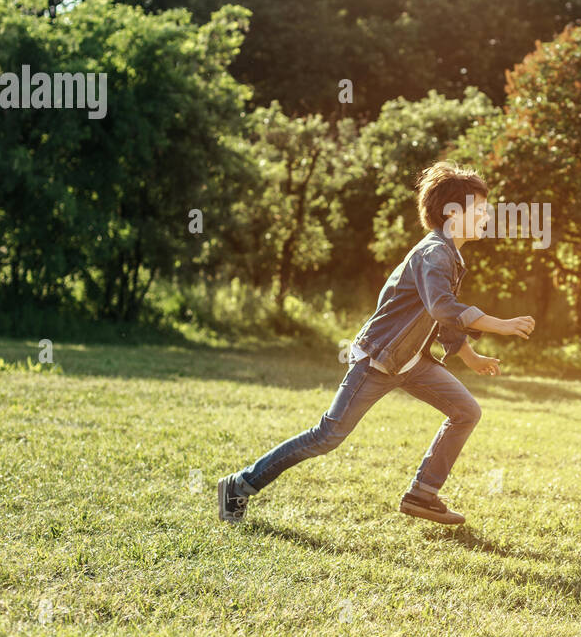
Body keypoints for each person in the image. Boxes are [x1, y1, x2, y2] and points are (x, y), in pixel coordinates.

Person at [218, 160, 536, 526]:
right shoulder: (434, 253)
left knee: (466, 412)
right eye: (480, 209)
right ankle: (238, 486)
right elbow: (442, 306)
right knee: (327, 436)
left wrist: (469, 354)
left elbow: (441, 320)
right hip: (379, 360)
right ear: (452, 213)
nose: (487, 215)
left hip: (413, 362)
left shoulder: (451, 255)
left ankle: (422, 495)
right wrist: (500, 324)